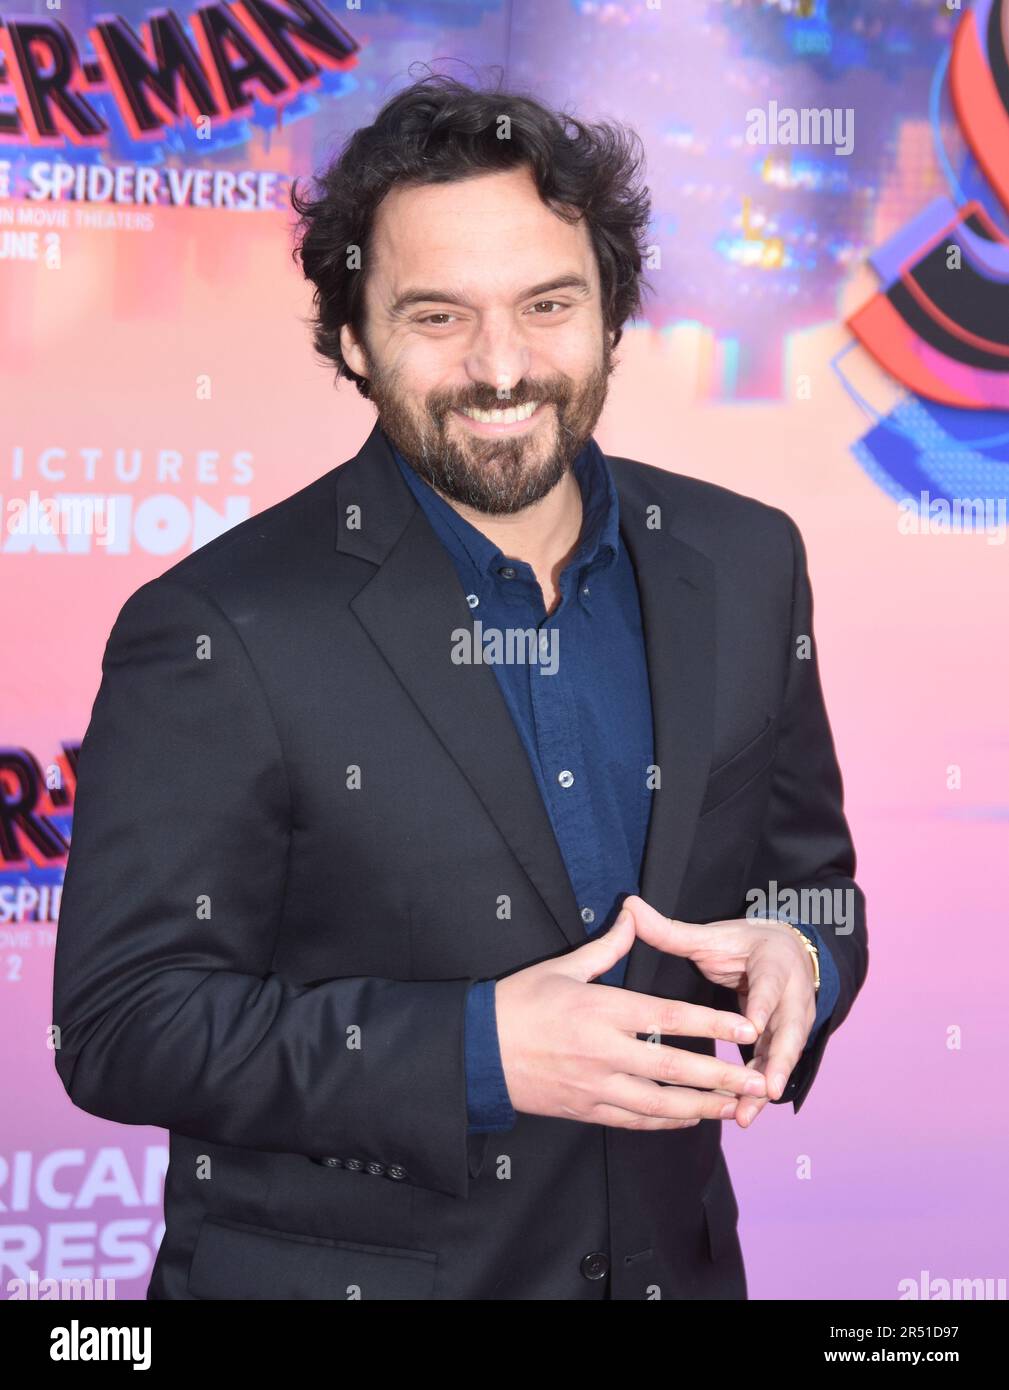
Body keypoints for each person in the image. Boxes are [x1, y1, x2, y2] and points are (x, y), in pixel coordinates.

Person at [53, 72, 867, 1301]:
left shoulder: (747, 561)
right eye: (437, 316)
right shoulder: (218, 625)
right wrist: (476, 1054)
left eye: (547, 304)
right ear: (351, 338)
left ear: (612, 316)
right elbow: (122, 1022)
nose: (502, 368)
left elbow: (816, 892)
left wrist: (801, 961)